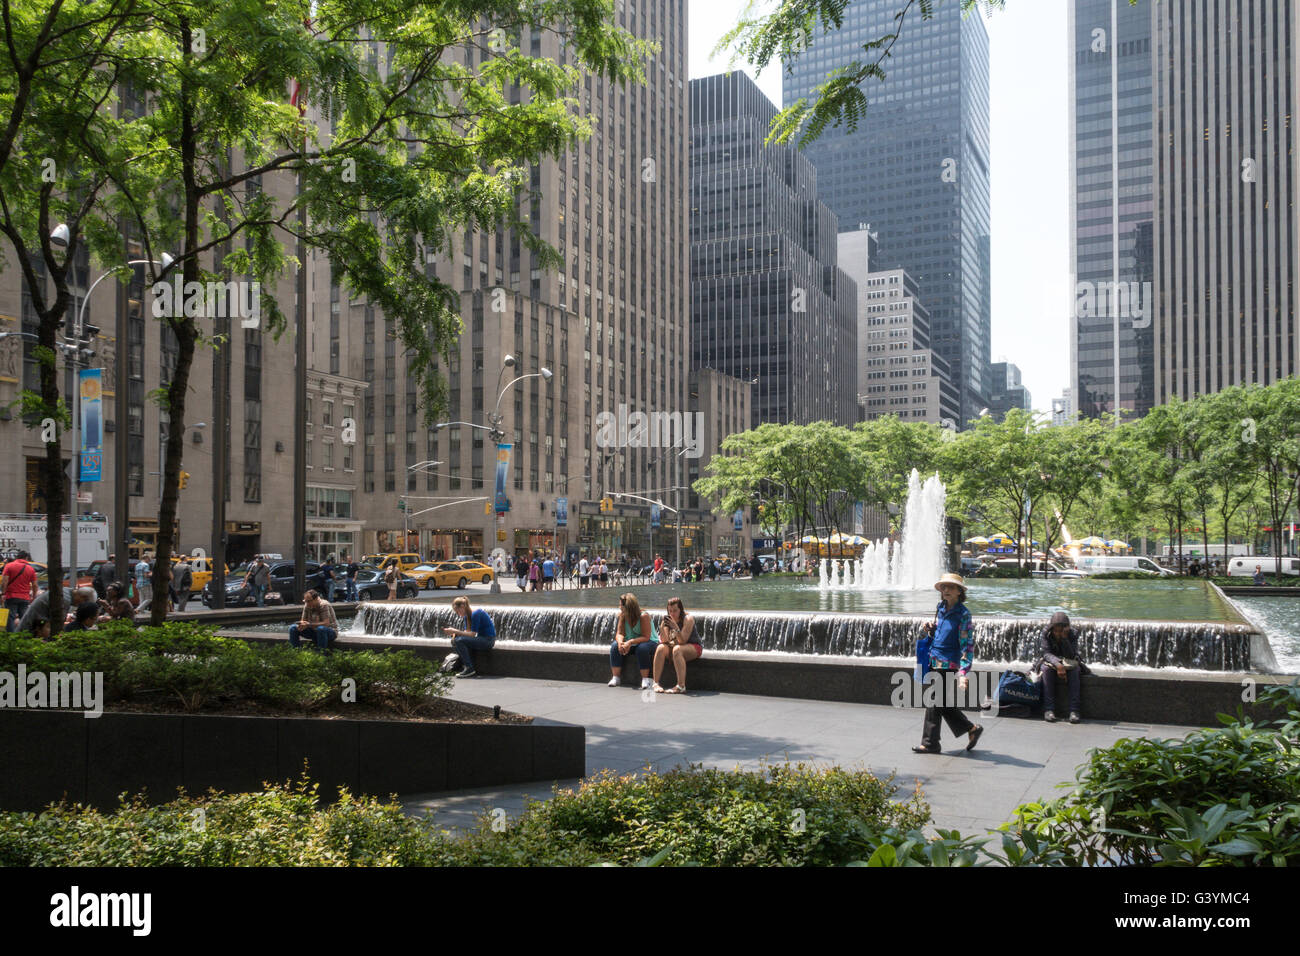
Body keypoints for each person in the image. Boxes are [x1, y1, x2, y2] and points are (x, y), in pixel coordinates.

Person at [913, 573, 984, 754]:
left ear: (959, 591)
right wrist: (931, 629)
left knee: (935, 700)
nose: (946, 590)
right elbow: (942, 632)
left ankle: (930, 743)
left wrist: (963, 673)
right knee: (940, 702)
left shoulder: (963, 614)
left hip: (949, 663)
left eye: (950, 587)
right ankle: (971, 729)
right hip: (934, 658)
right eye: (943, 587)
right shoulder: (941, 607)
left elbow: (967, 646)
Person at [1035, 611, 1089, 723]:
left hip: (1069, 662)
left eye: (1061, 631)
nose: (1057, 634)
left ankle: (1074, 711)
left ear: (1066, 629)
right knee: (1046, 670)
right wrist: (1058, 664)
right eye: (1055, 631)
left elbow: (1071, 655)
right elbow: (1046, 653)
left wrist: (1065, 638)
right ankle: (1049, 709)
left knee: (1075, 671)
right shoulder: (1046, 632)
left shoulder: (1072, 634)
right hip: (1052, 662)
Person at [652, 596, 702, 694]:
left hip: (693, 647)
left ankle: (681, 686)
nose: (672, 614)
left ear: (681, 609)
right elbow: (664, 641)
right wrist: (662, 627)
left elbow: (682, 641)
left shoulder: (688, 619)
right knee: (660, 648)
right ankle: (656, 683)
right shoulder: (667, 620)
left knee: (677, 649)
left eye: (675, 611)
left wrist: (675, 627)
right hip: (675, 646)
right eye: (670, 611)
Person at [608, 592, 656, 689]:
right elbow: (619, 633)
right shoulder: (623, 615)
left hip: (649, 642)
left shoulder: (643, 616)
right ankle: (616, 677)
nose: (619, 607)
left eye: (621, 605)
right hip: (631, 643)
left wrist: (629, 642)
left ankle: (645, 679)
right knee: (614, 646)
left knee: (641, 649)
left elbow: (646, 637)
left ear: (629, 607)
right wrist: (621, 642)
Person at [441, 596, 496, 678]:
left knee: (459, 641)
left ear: (462, 607)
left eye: (458, 611)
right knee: (455, 640)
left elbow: (472, 634)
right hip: (481, 639)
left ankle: (469, 668)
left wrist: (455, 631)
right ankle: (466, 665)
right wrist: (454, 633)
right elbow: (467, 633)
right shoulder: (468, 616)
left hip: (488, 640)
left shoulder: (476, 613)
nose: (458, 614)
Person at [19, 586, 96, 633]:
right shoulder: (64, 599)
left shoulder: (65, 591)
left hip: (32, 627)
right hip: (31, 630)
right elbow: (58, 625)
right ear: (83, 597)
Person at [1, 549, 39, 633]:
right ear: (26, 558)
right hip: (25, 597)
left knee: (10, 617)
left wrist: (3, 593)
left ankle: (11, 636)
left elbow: (4, 581)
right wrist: (34, 596)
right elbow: (35, 585)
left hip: (11, 596)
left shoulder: (9, 566)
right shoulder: (31, 569)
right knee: (24, 617)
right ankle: (24, 635)